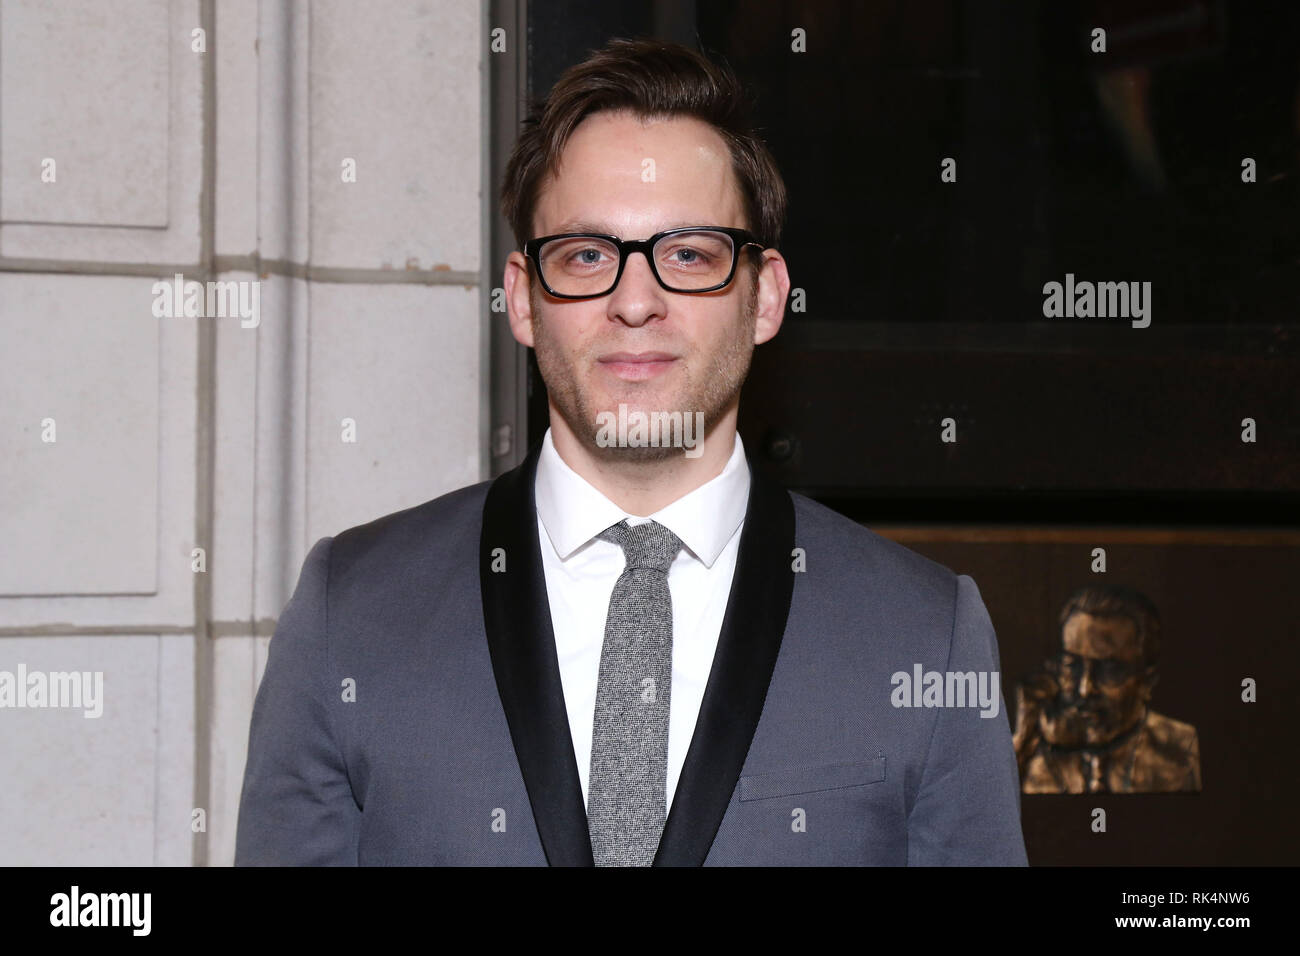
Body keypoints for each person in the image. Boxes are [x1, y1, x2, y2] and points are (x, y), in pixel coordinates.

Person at [235, 38, 1027, 866]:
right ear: (522, 300)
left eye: (689, 254)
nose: (635, 300)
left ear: (764, 297)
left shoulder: (924, 633)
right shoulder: (350, 614)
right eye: (586, 256)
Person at [1013, 585, 1201, 793]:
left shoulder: (1181, 750)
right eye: (1072, 666)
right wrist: (1022, 746)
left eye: (1109, 671)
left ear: (1147, 682)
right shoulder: (1033, 751)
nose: (1085, 689)